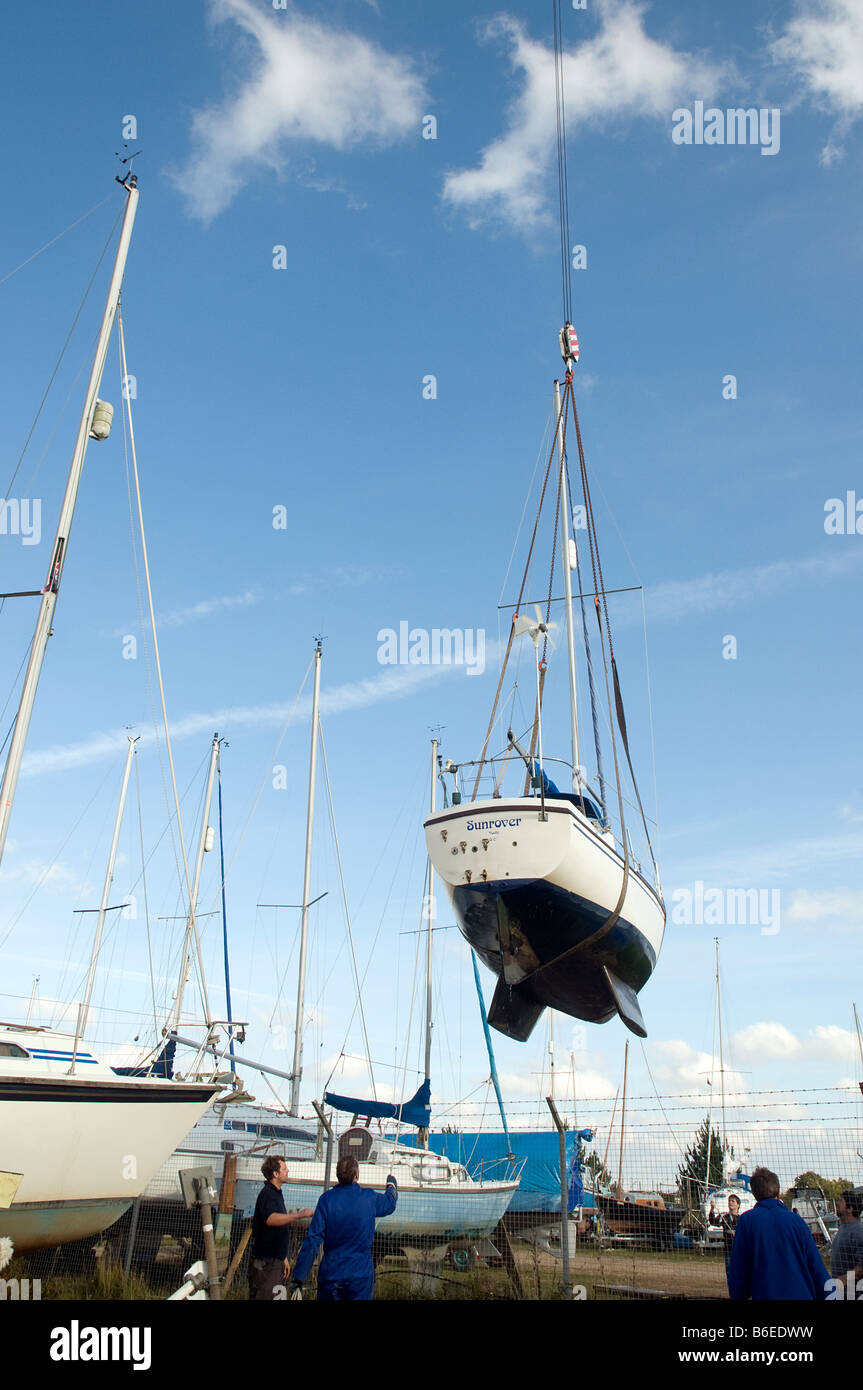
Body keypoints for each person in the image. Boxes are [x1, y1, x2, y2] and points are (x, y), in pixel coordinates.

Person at [290, 1154, 398, 1301]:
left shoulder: (326, 1200)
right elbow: (389, 1204)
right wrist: (391, 1186)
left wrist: (299, 1277)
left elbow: (312, 1240)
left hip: (331, 1273)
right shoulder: (368, 1198)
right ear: (357, 1175)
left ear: (338, 1175)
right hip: (359, 1274)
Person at [727, 1166, 828, 1301]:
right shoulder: (797, 1221)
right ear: (778, 1193)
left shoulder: (747, 1222)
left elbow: (738, 1272)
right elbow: (817, 1270)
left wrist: (739, 1294)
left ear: (755, 1194)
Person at [248, 1155, 313, 1301]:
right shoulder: (268, 1194)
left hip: (275, 1259)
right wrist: (298, 1215)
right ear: (275, 1174)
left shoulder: (276, 1194)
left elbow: (276, 1230)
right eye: (284, 1169)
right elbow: (271, 1219)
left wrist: (282, 1257)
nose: (287, 1171)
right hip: (265, 1261)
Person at [830, 1190, 863, 1291]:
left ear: (850, 1209)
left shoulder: (858, 1231)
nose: (837, 1203)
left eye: (841, 1201)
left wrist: (843, 1280)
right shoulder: (844, 1227)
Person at [708, 1192, 741, 1280]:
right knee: (729, 1273)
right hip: (728, 1249)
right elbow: (713, 1222)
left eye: (733, 1201)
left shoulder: (741, 1219)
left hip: (739, 1250)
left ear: (738, 1205)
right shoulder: (724, 1217)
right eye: (729, 1201)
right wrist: (712, 1209)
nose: (730, 1203)